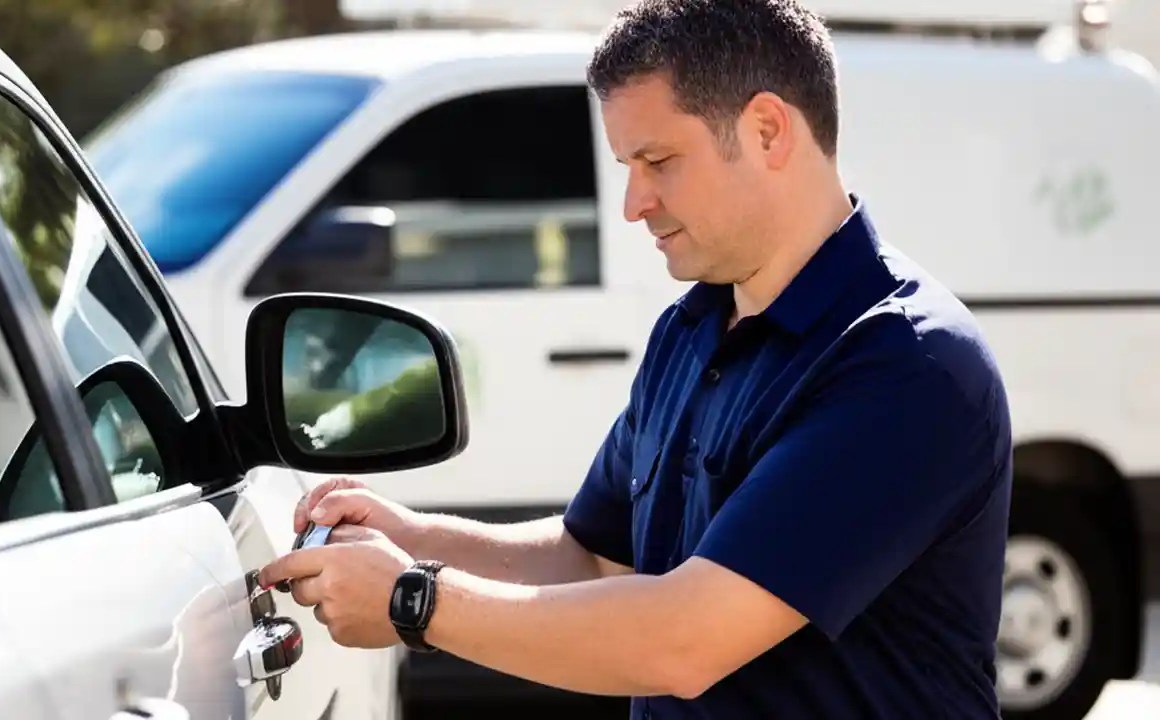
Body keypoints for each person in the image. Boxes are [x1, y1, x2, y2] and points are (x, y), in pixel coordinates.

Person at [258, 1, 1014, 717]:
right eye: (628, 164)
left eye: (658, 161)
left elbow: (685, 638)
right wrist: (416, 537)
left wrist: (412, 599)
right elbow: (596, 560)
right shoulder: (691, 330)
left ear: (767, 131)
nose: (633, 202)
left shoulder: (907, 366)